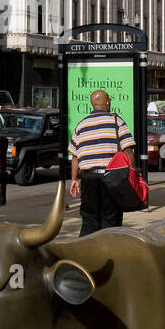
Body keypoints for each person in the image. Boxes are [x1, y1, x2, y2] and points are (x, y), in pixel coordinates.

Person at [68, 89, 136, 235]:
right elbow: (127, 150)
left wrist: (74, 179)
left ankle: (85, 252)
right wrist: (133, 172)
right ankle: (109, 251)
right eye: (109, 99)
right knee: (110, 218)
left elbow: (75, 156)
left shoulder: (81, 125)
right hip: (110, 178)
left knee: (89, 218)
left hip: (87, 177)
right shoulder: (116, 121)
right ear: (106, 102)